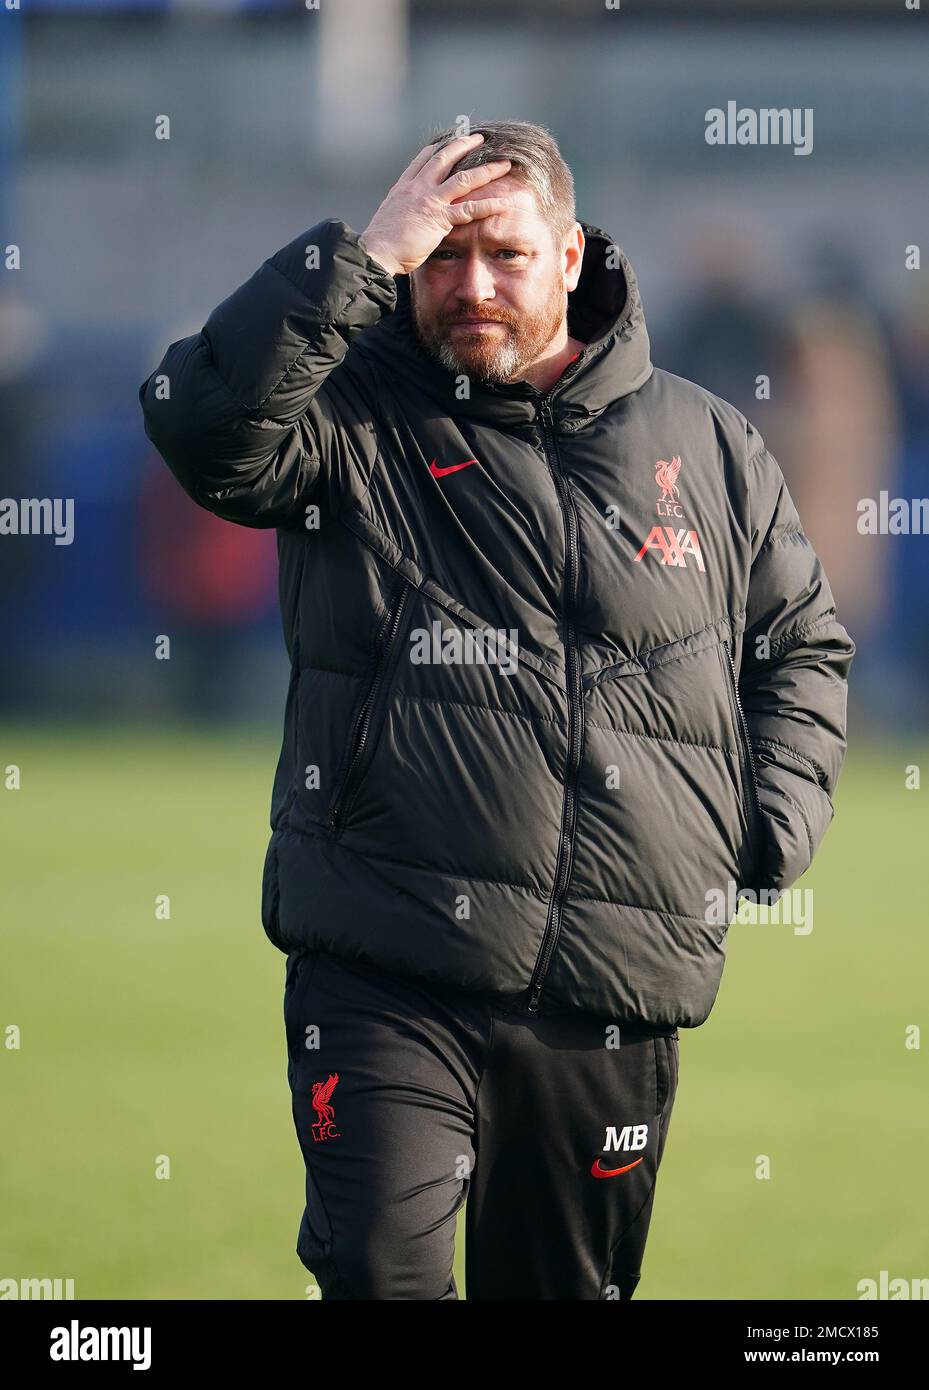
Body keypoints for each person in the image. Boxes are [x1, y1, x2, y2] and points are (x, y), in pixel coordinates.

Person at [139, 120, 854, 1300]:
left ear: (570, 258)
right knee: (379, 1275)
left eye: (504, 256)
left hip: (609, 991)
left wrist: (764, 824)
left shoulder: (709, 444)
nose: (470, 284)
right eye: (439, 256)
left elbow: (802, 644)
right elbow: (202, 423)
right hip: (385, 968)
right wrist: (357, 259)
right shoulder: (349, 415)